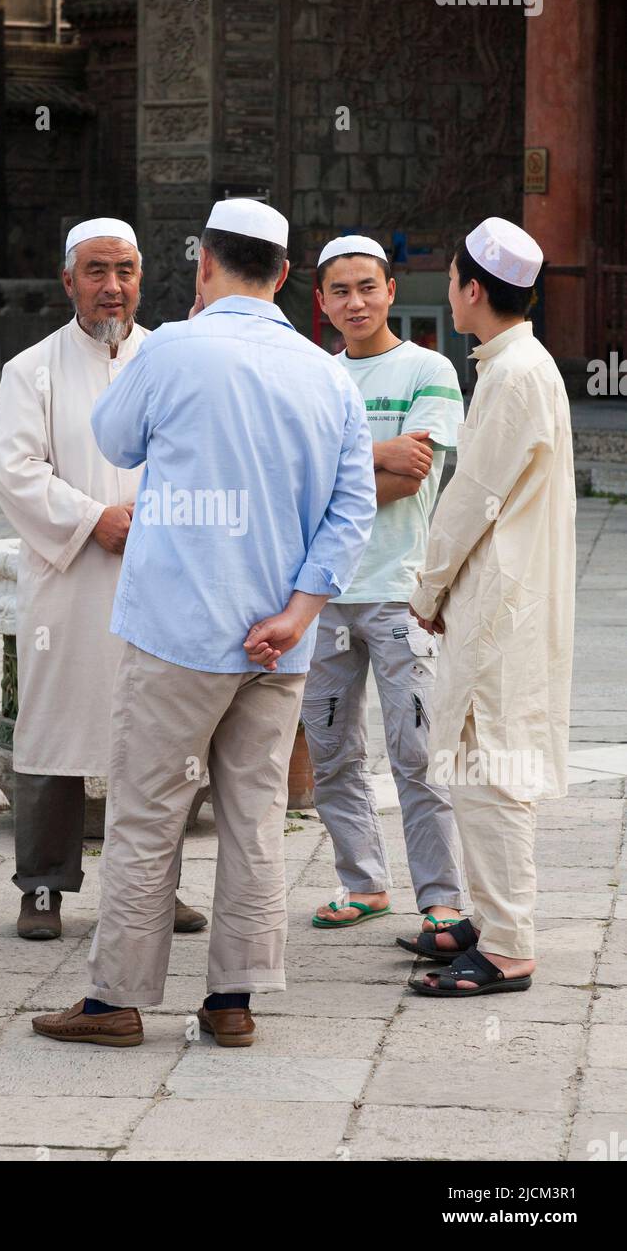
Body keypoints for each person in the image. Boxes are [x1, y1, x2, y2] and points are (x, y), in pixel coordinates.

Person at [31, 197, 377, 1049]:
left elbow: (113, 441)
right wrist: (299, 610)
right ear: (287, 275)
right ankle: (233, 1002)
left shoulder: (174, 349)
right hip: (278, 640)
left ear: (204, 265)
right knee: (254, 819)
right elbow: (352, 507)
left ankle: (117, 1000)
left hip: (179, 634)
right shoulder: (327, 371)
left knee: (148, 815)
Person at [0, 217, 206, 941]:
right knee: (54, 736)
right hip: (71, 581)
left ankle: (155, 889)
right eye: (96, 272)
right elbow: (15, 476)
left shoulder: (175, 360)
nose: (112, 288)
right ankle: (43, 889)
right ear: (68, 280)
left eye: (125, 272)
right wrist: (93, 521)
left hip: (162, 582)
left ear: (142, 277)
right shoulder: (32, 371)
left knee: (162, 738)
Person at [401, 216, 576, 996]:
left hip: (499, 596)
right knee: (484, 759)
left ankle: (508, 945)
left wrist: (428, 586)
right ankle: (494, 915)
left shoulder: (513, 375)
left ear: (472, 289)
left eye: (450, 278)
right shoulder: (517, 363)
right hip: (508, 590)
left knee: (488, 764)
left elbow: (471, 497)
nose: (448, 289)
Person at [303, 235, 467, 938]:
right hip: (325, 591)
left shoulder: (429, 370)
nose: (355, 302)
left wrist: (332, 467)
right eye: (340, 291)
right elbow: (296, 481)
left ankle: (441, 896)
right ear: (321, 302)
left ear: (391, 291)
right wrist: (372, 453)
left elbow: (410, 481)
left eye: (367, 286)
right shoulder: (315, 376)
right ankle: (363, 882)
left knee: (416, 748)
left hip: (400, 591)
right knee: (332, 747)